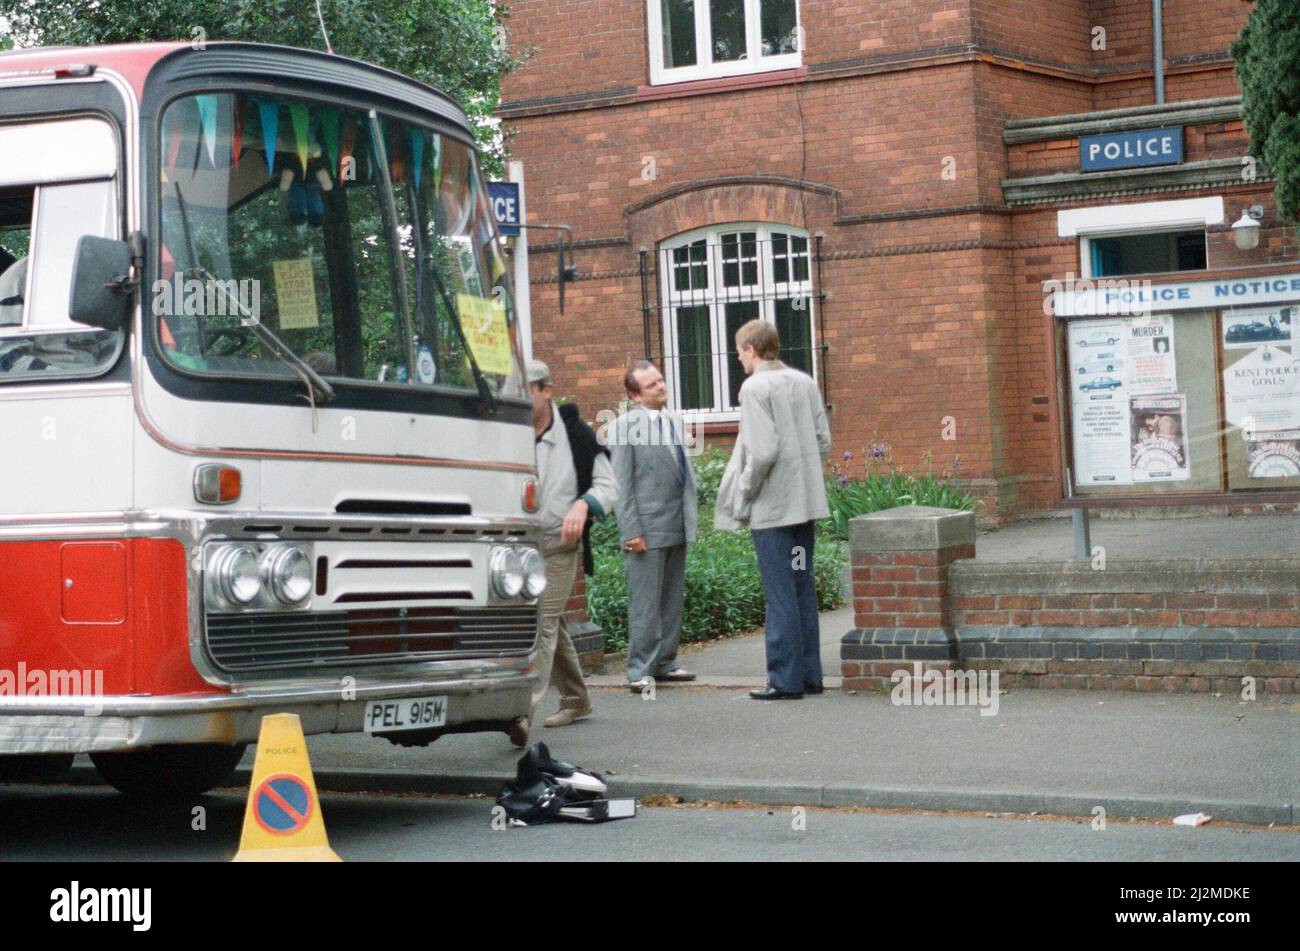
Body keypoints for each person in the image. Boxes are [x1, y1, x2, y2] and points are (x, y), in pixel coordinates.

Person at [715, 319, 831, 700]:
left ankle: (784, 679)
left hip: (773, 509)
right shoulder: (804, 381)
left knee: (779, 593)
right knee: (800, 589)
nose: (738, 358)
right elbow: (822, 439)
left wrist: (746, 490)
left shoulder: (754, 387)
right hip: (804, 506)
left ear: (751, 349)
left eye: (739, 352)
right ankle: (810, 675)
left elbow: (762, 451)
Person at [511, 359, 618, 746]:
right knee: (551, 623)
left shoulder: (577, 435)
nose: (518, 401)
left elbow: (609, 487)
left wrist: (584, 503)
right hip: (517, 552)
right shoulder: (508, 435)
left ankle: (520, 711)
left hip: (559, 546)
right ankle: (577, 698)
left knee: (540, 622)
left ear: (546, 391)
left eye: (526, 392)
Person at [608, 359, 699, 692]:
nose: (661, 387)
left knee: (672, 599)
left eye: (661, 380)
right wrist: (631, 532)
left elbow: (683, 476)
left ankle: (665, 662)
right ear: (634, 395)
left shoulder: (673, 421)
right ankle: (639, 670)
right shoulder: (623, 427)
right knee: (645, 603)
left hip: (676, 521)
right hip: (645, 527)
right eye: (651, 385)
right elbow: (621, 485)